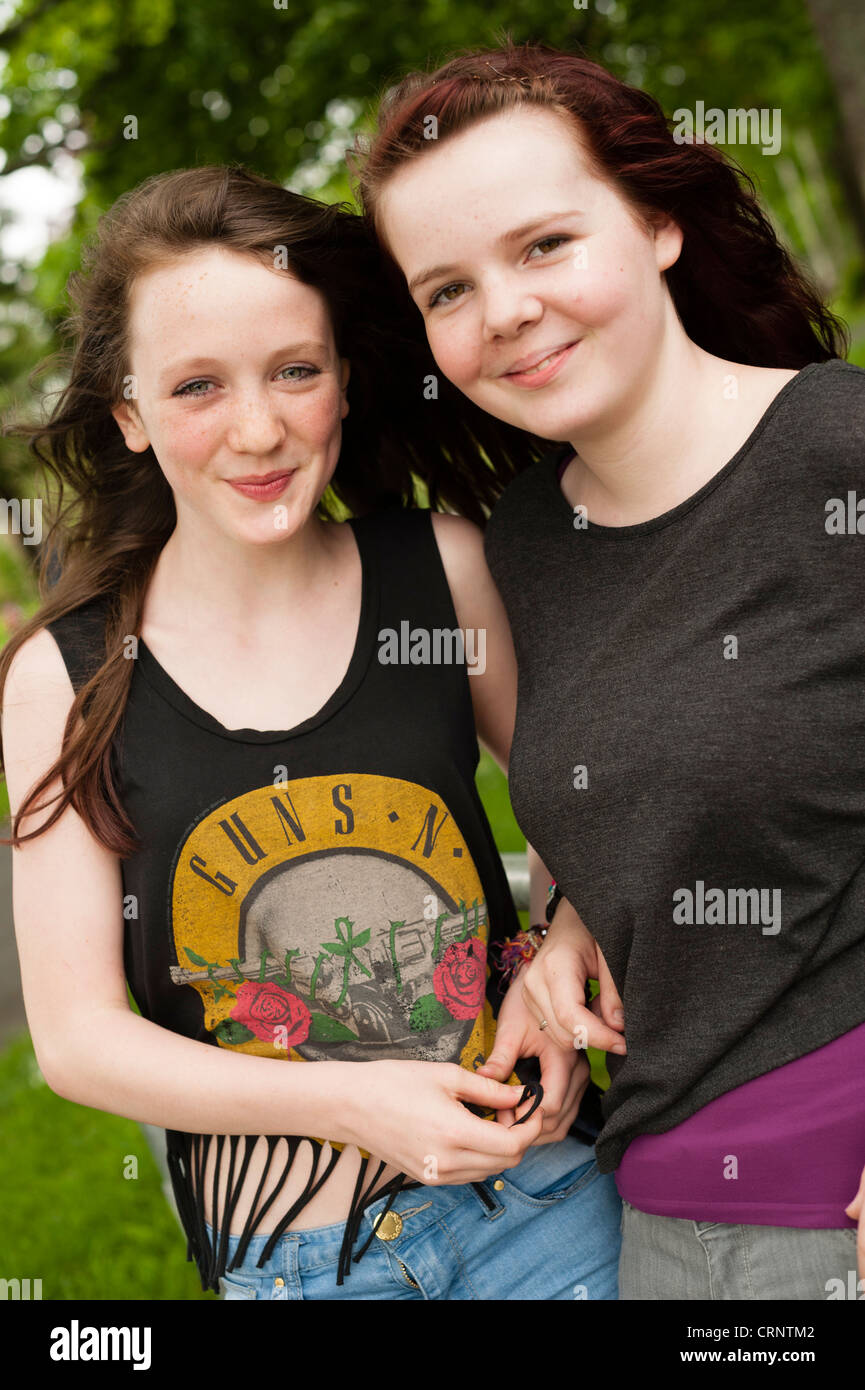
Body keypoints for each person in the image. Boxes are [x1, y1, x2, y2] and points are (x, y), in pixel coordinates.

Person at [0, 162, 624, 1301]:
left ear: (342, 376)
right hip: (302, 1265)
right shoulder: (67, 675)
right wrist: (351, 1100)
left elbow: (601, 810)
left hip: (537, 1202)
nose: (259, 426)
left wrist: (558, 952)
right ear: (129, 413)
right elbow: (81, 1041)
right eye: (197, 387)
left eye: (295, 370)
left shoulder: (440, 571)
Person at [352, 38, 865, 1300]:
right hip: (661, 1214)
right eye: (447, 289)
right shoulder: (529, 538)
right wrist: (575, 920)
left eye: (543, 245)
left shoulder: (837, 444)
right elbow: (677, 770)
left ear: (658, 226)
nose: (504, 310)